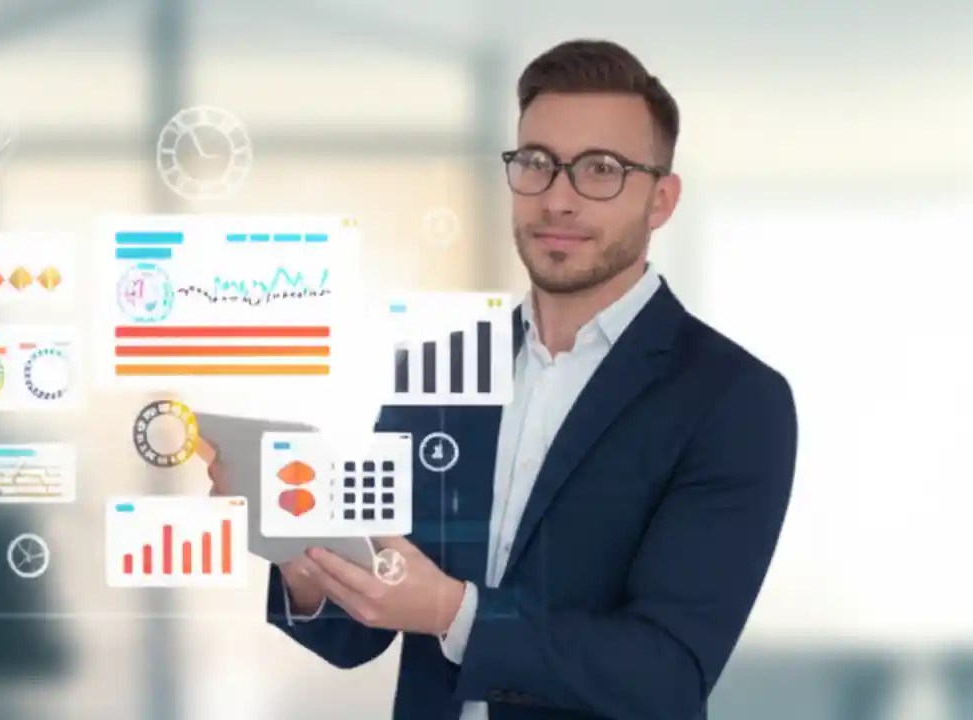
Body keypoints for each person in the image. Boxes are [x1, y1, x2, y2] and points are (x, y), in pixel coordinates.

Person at [208, 38, 798, 720]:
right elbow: (357, 632)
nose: (558, 200)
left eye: (600, 170)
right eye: (537, 163)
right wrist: (300, 552)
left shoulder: (732, 399)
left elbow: (663, 675)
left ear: (661, 200)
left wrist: (452, 612)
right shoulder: (438, 372)